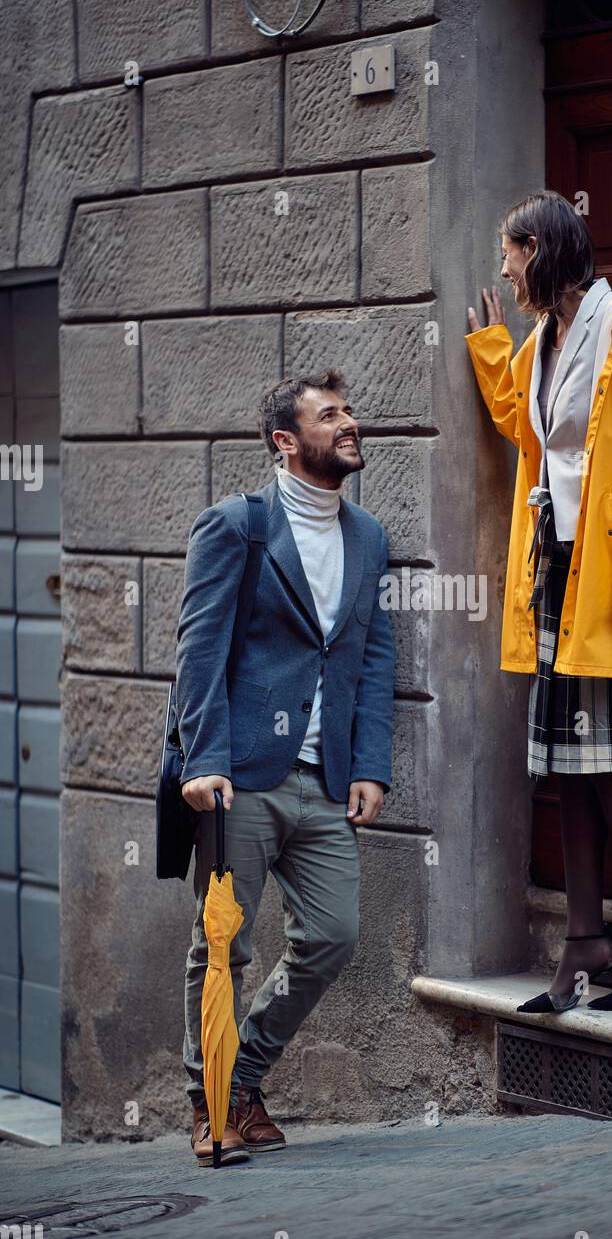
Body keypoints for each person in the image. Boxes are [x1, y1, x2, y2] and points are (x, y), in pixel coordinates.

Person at [466, 190, 612, 1013]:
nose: (503, 267)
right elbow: (522, 426)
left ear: (543, 248)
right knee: (569, 767)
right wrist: (493, 347)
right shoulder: (545, 341)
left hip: (605, 582)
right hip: (552, 575)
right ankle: (587, 940)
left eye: (510, 252)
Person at [176, 369, 395, 1165]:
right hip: (241, 777)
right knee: (222, 944)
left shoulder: (367, 537)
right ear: (284, 440)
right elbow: (197, 653)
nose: (349, 423)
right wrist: (202, 761)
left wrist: (370, 762)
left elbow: (372, 654)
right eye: (329, 415)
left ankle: (245, 1075)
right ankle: (210, 1104)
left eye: (349, 411)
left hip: (325, 781)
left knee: (333, 936)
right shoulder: (239, 526)